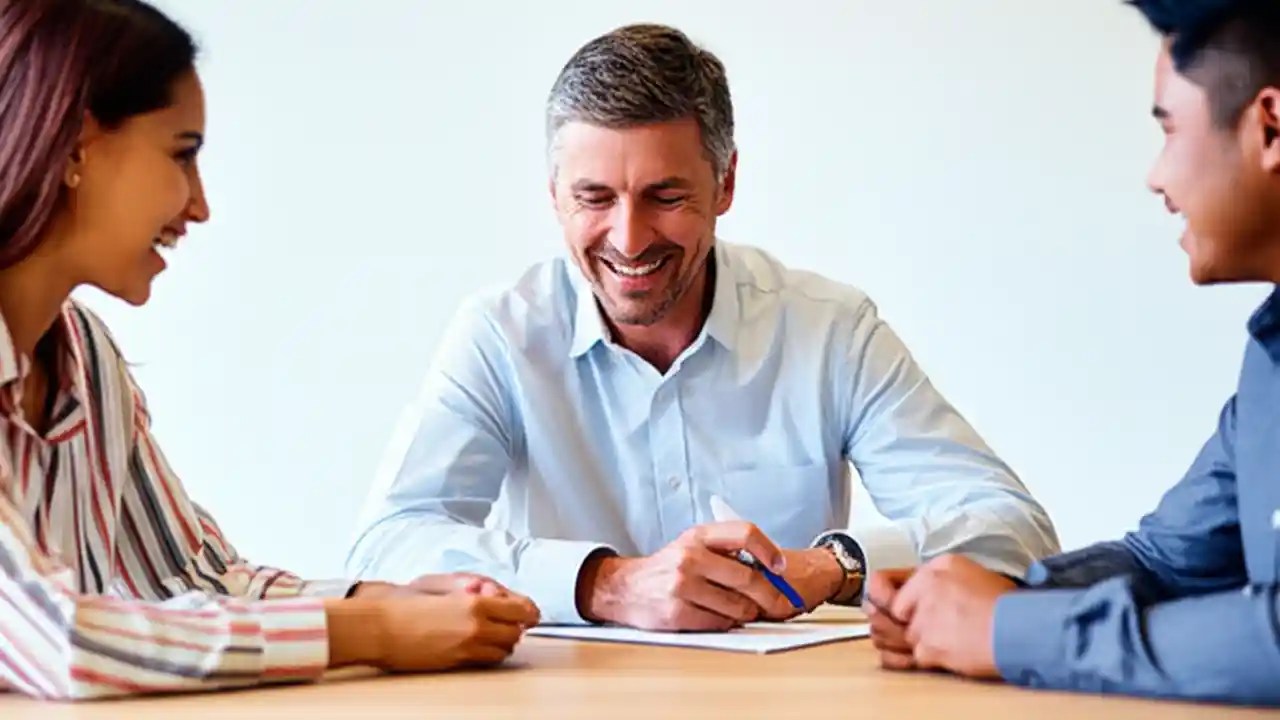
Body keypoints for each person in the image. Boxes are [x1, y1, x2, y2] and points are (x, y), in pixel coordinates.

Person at [347, 23, 1059, 631]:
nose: (629, 239)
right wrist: (606, 584)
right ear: (554, 195)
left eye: (665, 196)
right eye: (594, 197)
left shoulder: (829, 330)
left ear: (726, 184)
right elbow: (386, 547)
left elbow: (1013, 528)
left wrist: (834, 565)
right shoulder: (501, 335)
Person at [0, 0, 538, 701]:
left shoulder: (86, 358)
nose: (199, 206)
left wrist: (381, 599)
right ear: (77, 146)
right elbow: (52, 640)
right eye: (182, 154)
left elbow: (194, 578)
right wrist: (371, 631)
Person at [866, 0, 1280, 707]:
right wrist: (969, 601)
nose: (1156, 177)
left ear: (1270, 128)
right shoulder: (1268, 363)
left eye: (1169, 130)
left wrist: (1008, 630)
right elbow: (1166, 561)